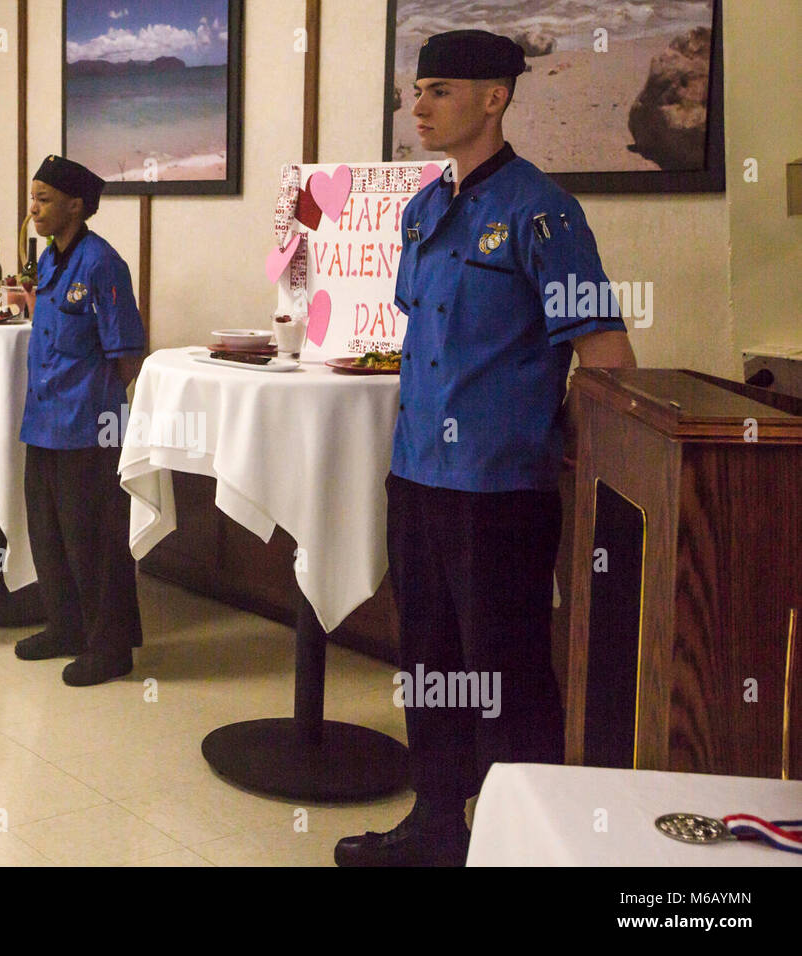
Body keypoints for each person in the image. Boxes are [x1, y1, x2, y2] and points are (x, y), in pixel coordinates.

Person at [334, 30, 637, 867]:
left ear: (495, 97)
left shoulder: (543, 212)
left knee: (506, 673)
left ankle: (522, 844)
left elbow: (606, 355)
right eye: (416, 91)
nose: (419, 107)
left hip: (499, 488)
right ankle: (437, 823)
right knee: (428, 660)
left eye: (439, 91)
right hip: (417, 474)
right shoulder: (423, 209)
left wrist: (557, 445)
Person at [15, 155, 147, 686]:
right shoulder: (49, 259)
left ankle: (110, 647)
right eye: (33, 197)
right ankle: (66, 628)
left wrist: (101, 412)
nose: (33, 208)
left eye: (44, 199)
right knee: (48, 536)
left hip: (88, 427)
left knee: (94, 542)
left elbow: (128, 355)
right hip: (43, 420)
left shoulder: (102, 264)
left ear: (75, 206)